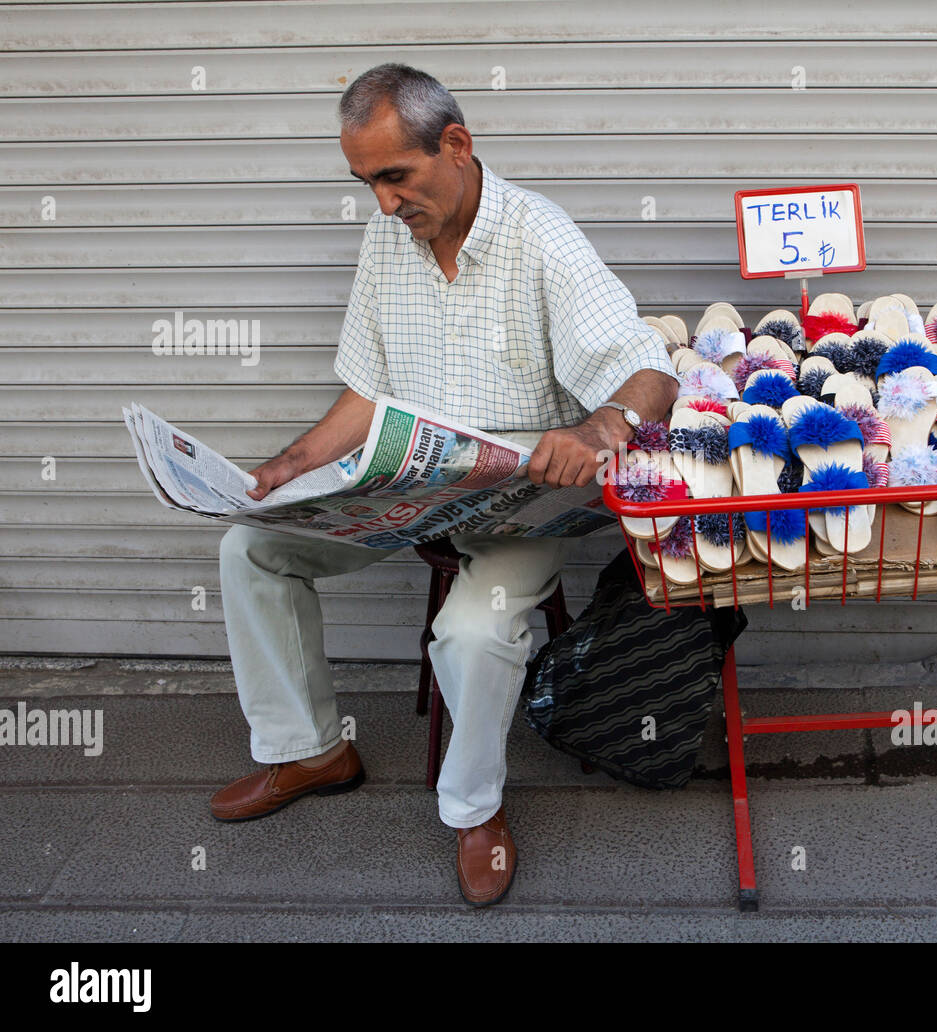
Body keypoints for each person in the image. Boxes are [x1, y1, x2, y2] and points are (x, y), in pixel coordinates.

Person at [210, 63, 679, 907]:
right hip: (416, 488)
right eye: (367, 185)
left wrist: (599, 427)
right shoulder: (390, 237)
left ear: (456, 144)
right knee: (251, 546)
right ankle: (309, 749)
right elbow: (366, 390)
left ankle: (475, 810)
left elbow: (647, 368)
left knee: (472, 631)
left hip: (518, 506)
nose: (384, 205)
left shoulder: (541, 236)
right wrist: (288, 465)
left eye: (396, 176)